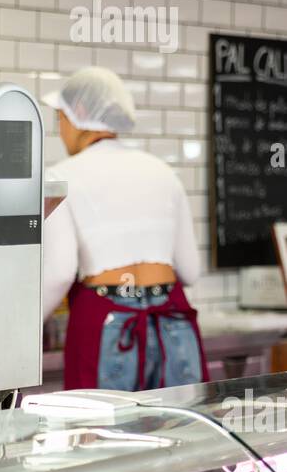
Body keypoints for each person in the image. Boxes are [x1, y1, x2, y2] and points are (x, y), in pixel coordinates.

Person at [41, 66, 208, 391]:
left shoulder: (59, 177)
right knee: (183, 435)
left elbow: (60, 272)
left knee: (102, 436)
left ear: (80, 114)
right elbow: (190, 271)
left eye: (59, 118)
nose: (60, 130)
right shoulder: (162, 171)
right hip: (172, 320)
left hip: (105, 320)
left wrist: (21, 330)